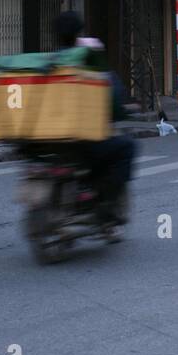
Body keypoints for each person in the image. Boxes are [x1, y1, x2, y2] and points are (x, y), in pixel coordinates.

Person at [54, 11, 135, 225]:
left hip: (50, 140)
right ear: (79, 33)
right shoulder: (89, 61)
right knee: (127, 147)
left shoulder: (49, 63)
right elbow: (114, 96)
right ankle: (107, 205)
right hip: (82, 139)